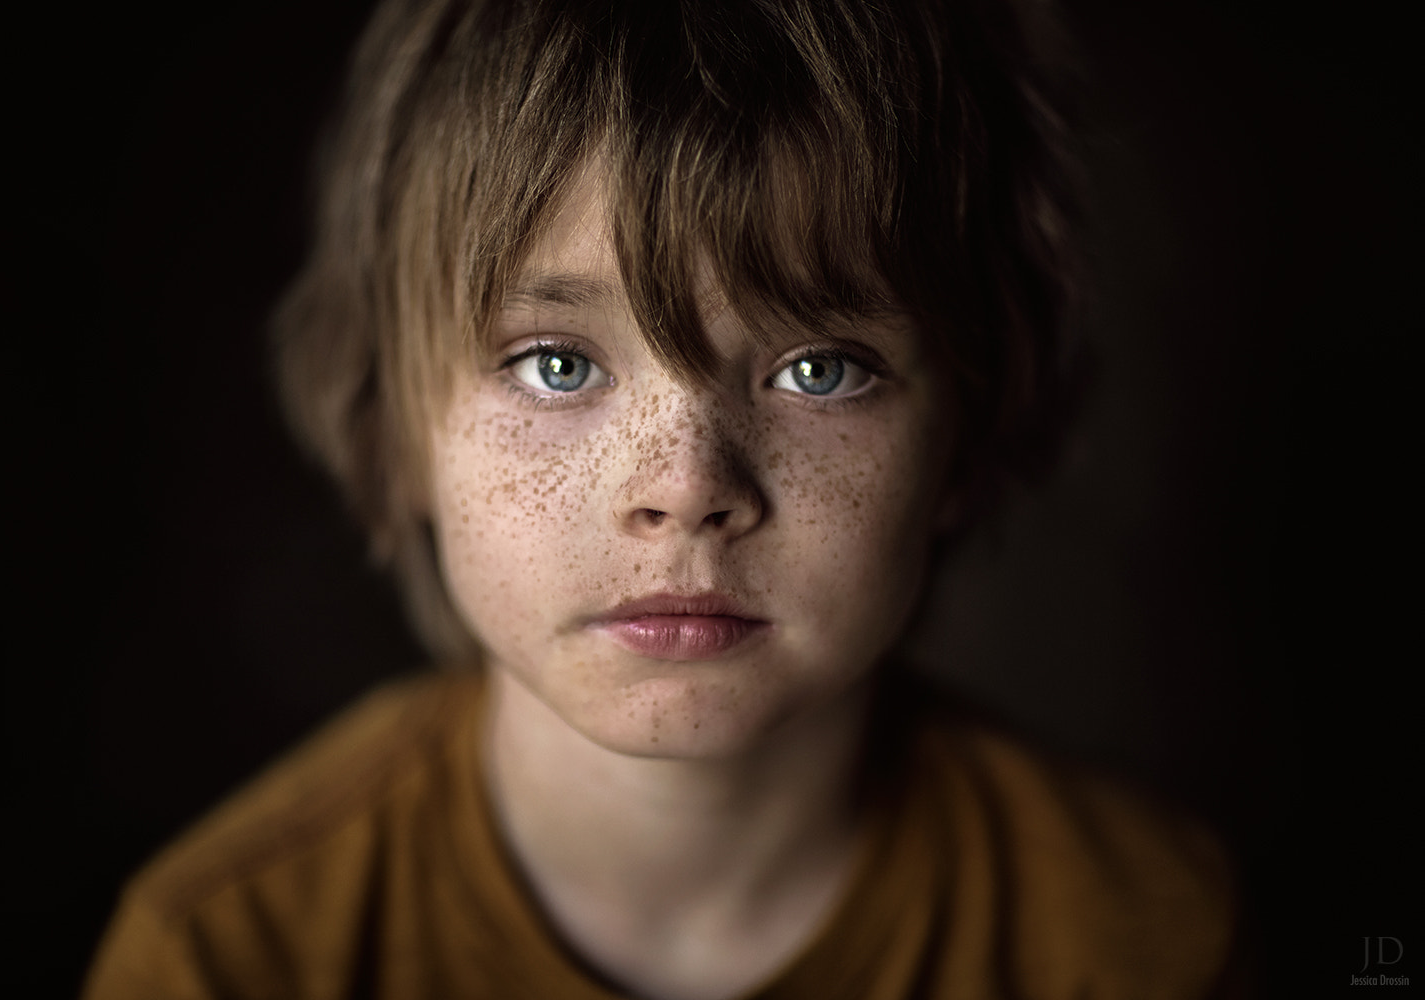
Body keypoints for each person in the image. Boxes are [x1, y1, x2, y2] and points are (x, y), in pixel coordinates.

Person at [82, 0, 1243, 996]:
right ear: (395, 426)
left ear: (966, 432)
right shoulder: (227, 961)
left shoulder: (1135, 944)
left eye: (820, 369)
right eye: (556, 364)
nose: (685, 488)